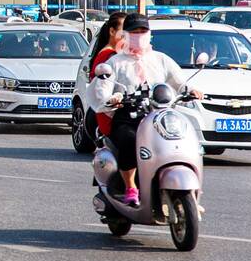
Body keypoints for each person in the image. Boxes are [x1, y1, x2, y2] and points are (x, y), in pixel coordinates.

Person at [87, 13, 201, 208]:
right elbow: (102, 89)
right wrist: (111, 99)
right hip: (128, 116)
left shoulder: (161, 59)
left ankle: (188, 191)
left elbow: (178, 82)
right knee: (129, 140)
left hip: (158, 116)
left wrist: (191, 91)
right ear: (126, 35)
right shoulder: (116, 62)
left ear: (149, 34)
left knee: (181, 140)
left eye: (143, 31)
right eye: (134, 32)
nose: (139, 35)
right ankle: (131, 187)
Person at [85, 11, 127, 140]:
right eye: (123, 32)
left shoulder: (108, 53)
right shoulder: (110, 56)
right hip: (111, 114)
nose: (127, 37)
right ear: (112, 31)